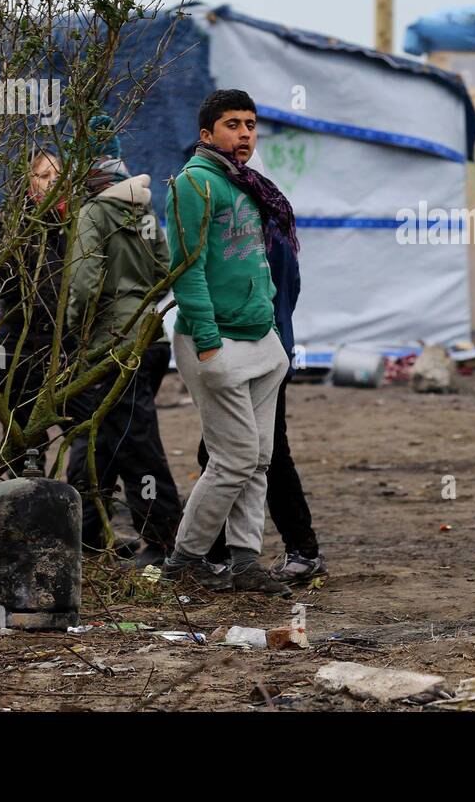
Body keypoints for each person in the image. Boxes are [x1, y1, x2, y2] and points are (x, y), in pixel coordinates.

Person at [163, 89, 291, 596]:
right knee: (234, 458)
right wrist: (209, 340)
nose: (244, 134)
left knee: (259, 457)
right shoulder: (195, 184)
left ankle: (243, 561)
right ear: (206, 134)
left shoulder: (248, 185)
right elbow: (186, 267)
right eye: (232, 124)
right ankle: (184, 560)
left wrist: (274, 328)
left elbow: (257, 262)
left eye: (250, 125)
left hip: (261, 339)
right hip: (214, 341)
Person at [197, 146, 325, 583]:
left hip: (256, 352)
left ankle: (291, 550)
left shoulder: (255, 234)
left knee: (248, 453)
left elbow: (272, 294)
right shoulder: (274, 226)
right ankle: (229, 553)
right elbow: (291, 290)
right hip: (266, 350)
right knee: (241, 451)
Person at [65, 116, 182, 566]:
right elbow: (163, 266)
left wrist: (77, 331)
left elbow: (83, 281)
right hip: (150, 337)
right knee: (106, 437)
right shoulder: (142, 208)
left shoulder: (93, 211)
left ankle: (168, 539)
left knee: (134, 439)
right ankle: (90, 535)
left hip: (111, 342)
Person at [0, 150, 66, 474]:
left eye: (57, 176)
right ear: (28, 181)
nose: (51, 184)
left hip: (60, 343)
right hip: (18, 341)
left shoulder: (69, 223)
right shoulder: (10, 224)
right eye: (43, 176)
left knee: (85, 422)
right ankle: (22, 502)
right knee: (24, 436)